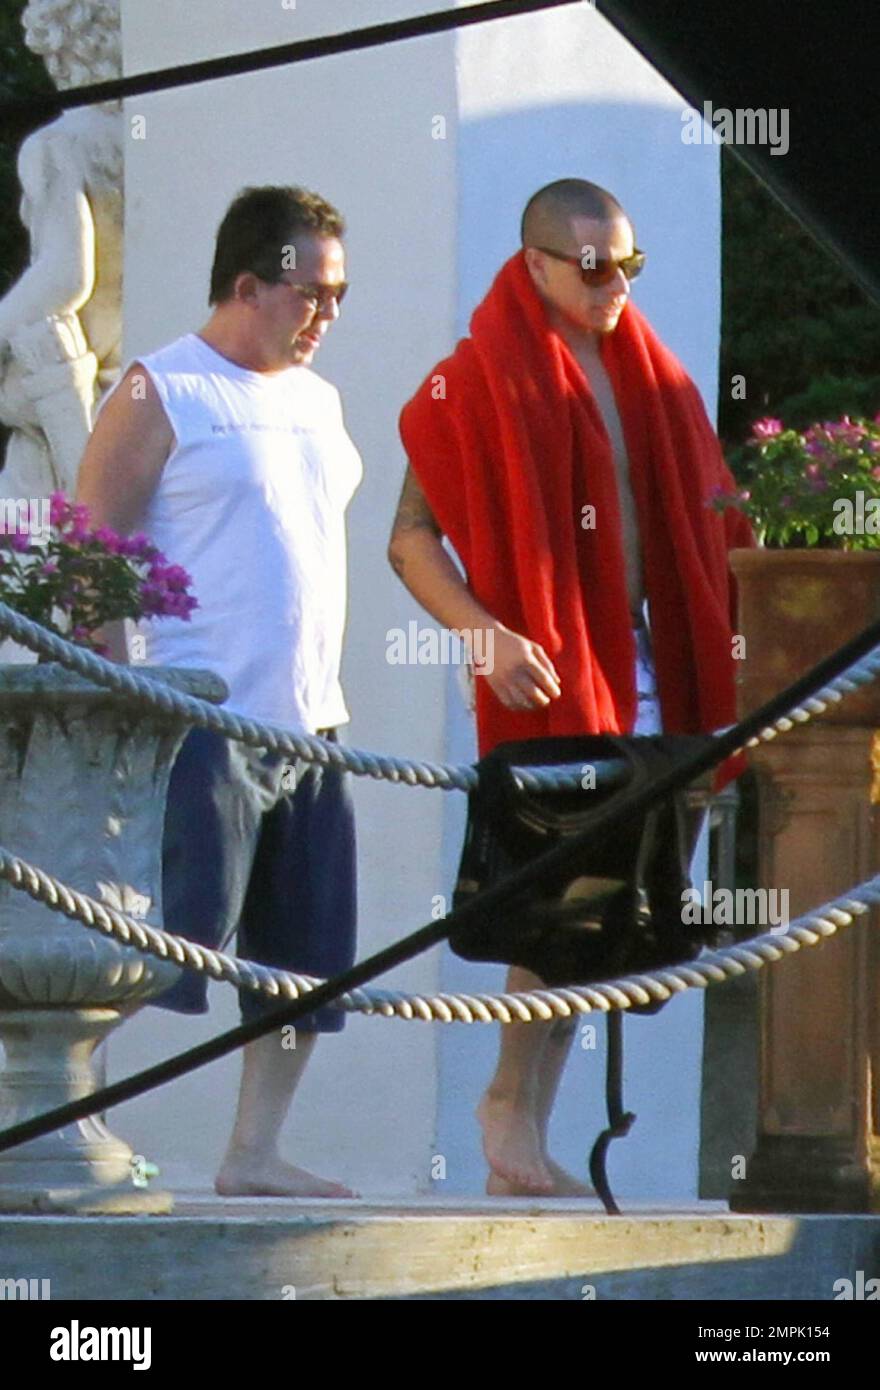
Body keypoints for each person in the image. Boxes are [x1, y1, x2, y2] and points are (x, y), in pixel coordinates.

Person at [391, 178, 755, 1197]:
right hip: (555, 666)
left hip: (661, 668)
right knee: (563, 891)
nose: (613, 285)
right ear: (537, 262)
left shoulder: (657, 377)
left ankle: (528, 1117)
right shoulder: (474, 379)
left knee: (620, 902)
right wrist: (486, 634)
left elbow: (719, 520)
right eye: (592, 266)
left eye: (628, 265)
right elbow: (407, 540)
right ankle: (508, 1103)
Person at [75, 185, 362, 1198]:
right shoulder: (166, 388)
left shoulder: (318, 400)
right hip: (194, 720)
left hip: (311, 722)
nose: (325, 312)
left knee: (306, 960)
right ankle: (59, 1126)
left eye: (337, 293)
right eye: (309, 292)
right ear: (248, 283)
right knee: (155, 945)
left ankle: (252, 1153)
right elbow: (90, 550)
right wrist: (122, 698)